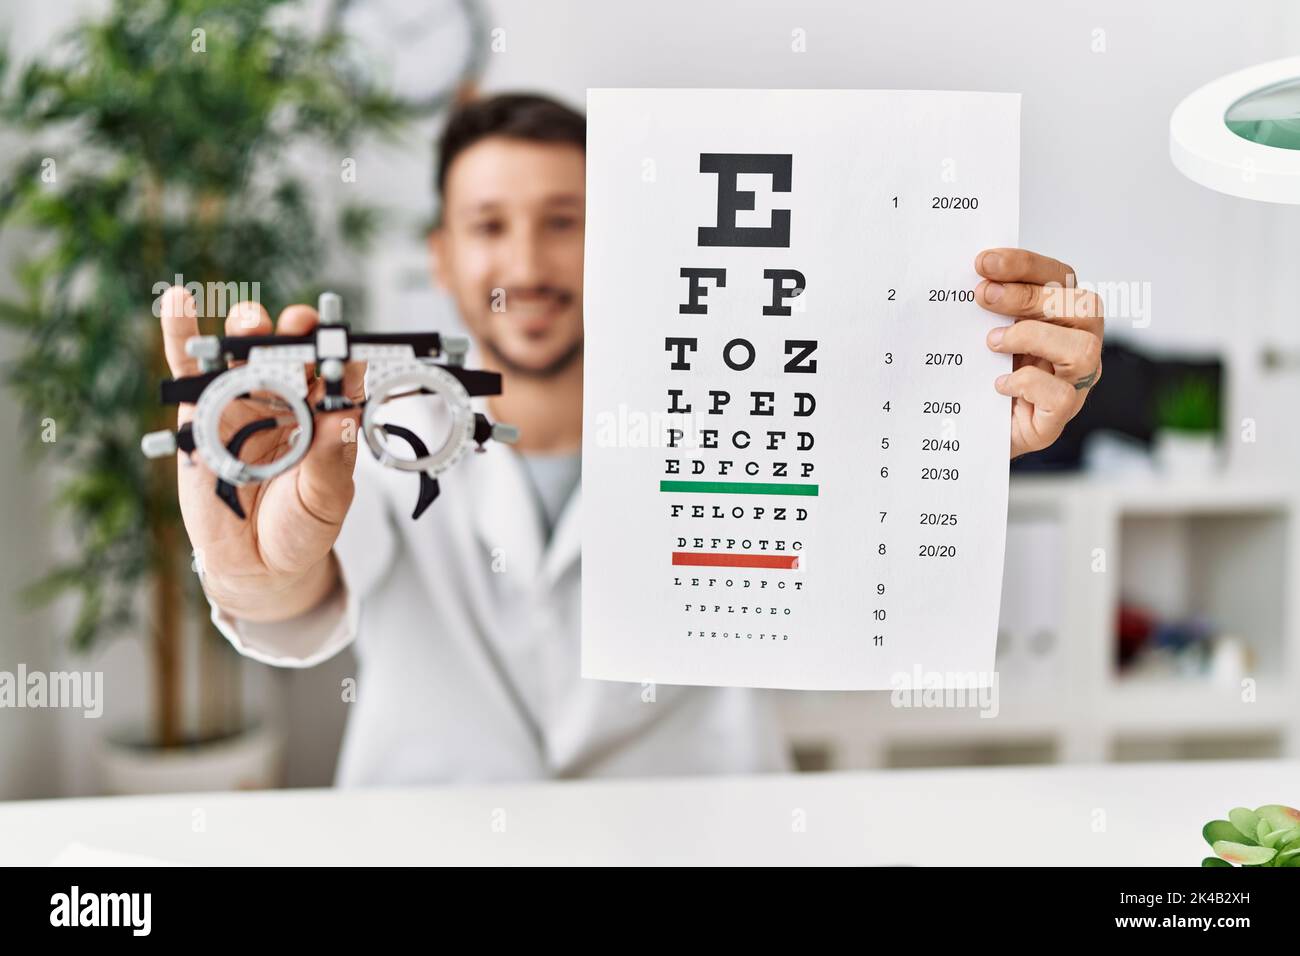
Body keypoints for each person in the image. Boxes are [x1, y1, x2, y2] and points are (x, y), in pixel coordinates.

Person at [157, 93, 1104, 785]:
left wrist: (958, 416)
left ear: (628, 234)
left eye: (564, 222)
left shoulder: (760, 400)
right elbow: (312, 588)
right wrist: (258, 588)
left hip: (700, 834)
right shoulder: (370, 426)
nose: (525, 265)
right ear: (442, 257)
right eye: (489, 225)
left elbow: (874, 528)